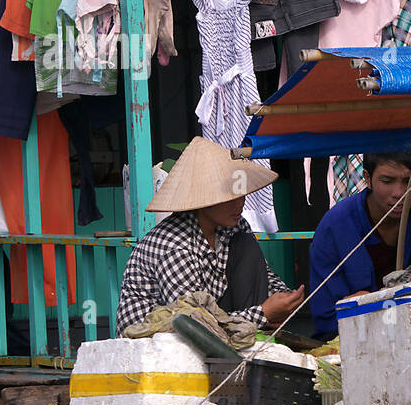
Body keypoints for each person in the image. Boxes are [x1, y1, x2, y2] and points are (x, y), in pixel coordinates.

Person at [116, 137, 305, 332]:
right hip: (158, 340)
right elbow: (194, 324)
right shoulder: (173, 245)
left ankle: (250, 344)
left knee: (246, 246)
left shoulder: (235, 225)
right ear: (204, 200)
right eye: (230, 198)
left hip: (211, 319)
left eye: (241, 195)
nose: (240, 204)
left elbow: (262, 275)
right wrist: (264, 313)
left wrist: (285, 299)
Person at [308, 151, 411, 339]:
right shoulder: (335, 226)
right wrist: (361, 309)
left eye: (408, 181)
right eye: (387, 181)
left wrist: (369, 305)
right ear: (367, 179)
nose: (399, 193)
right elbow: (326, 317)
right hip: (355, 340)